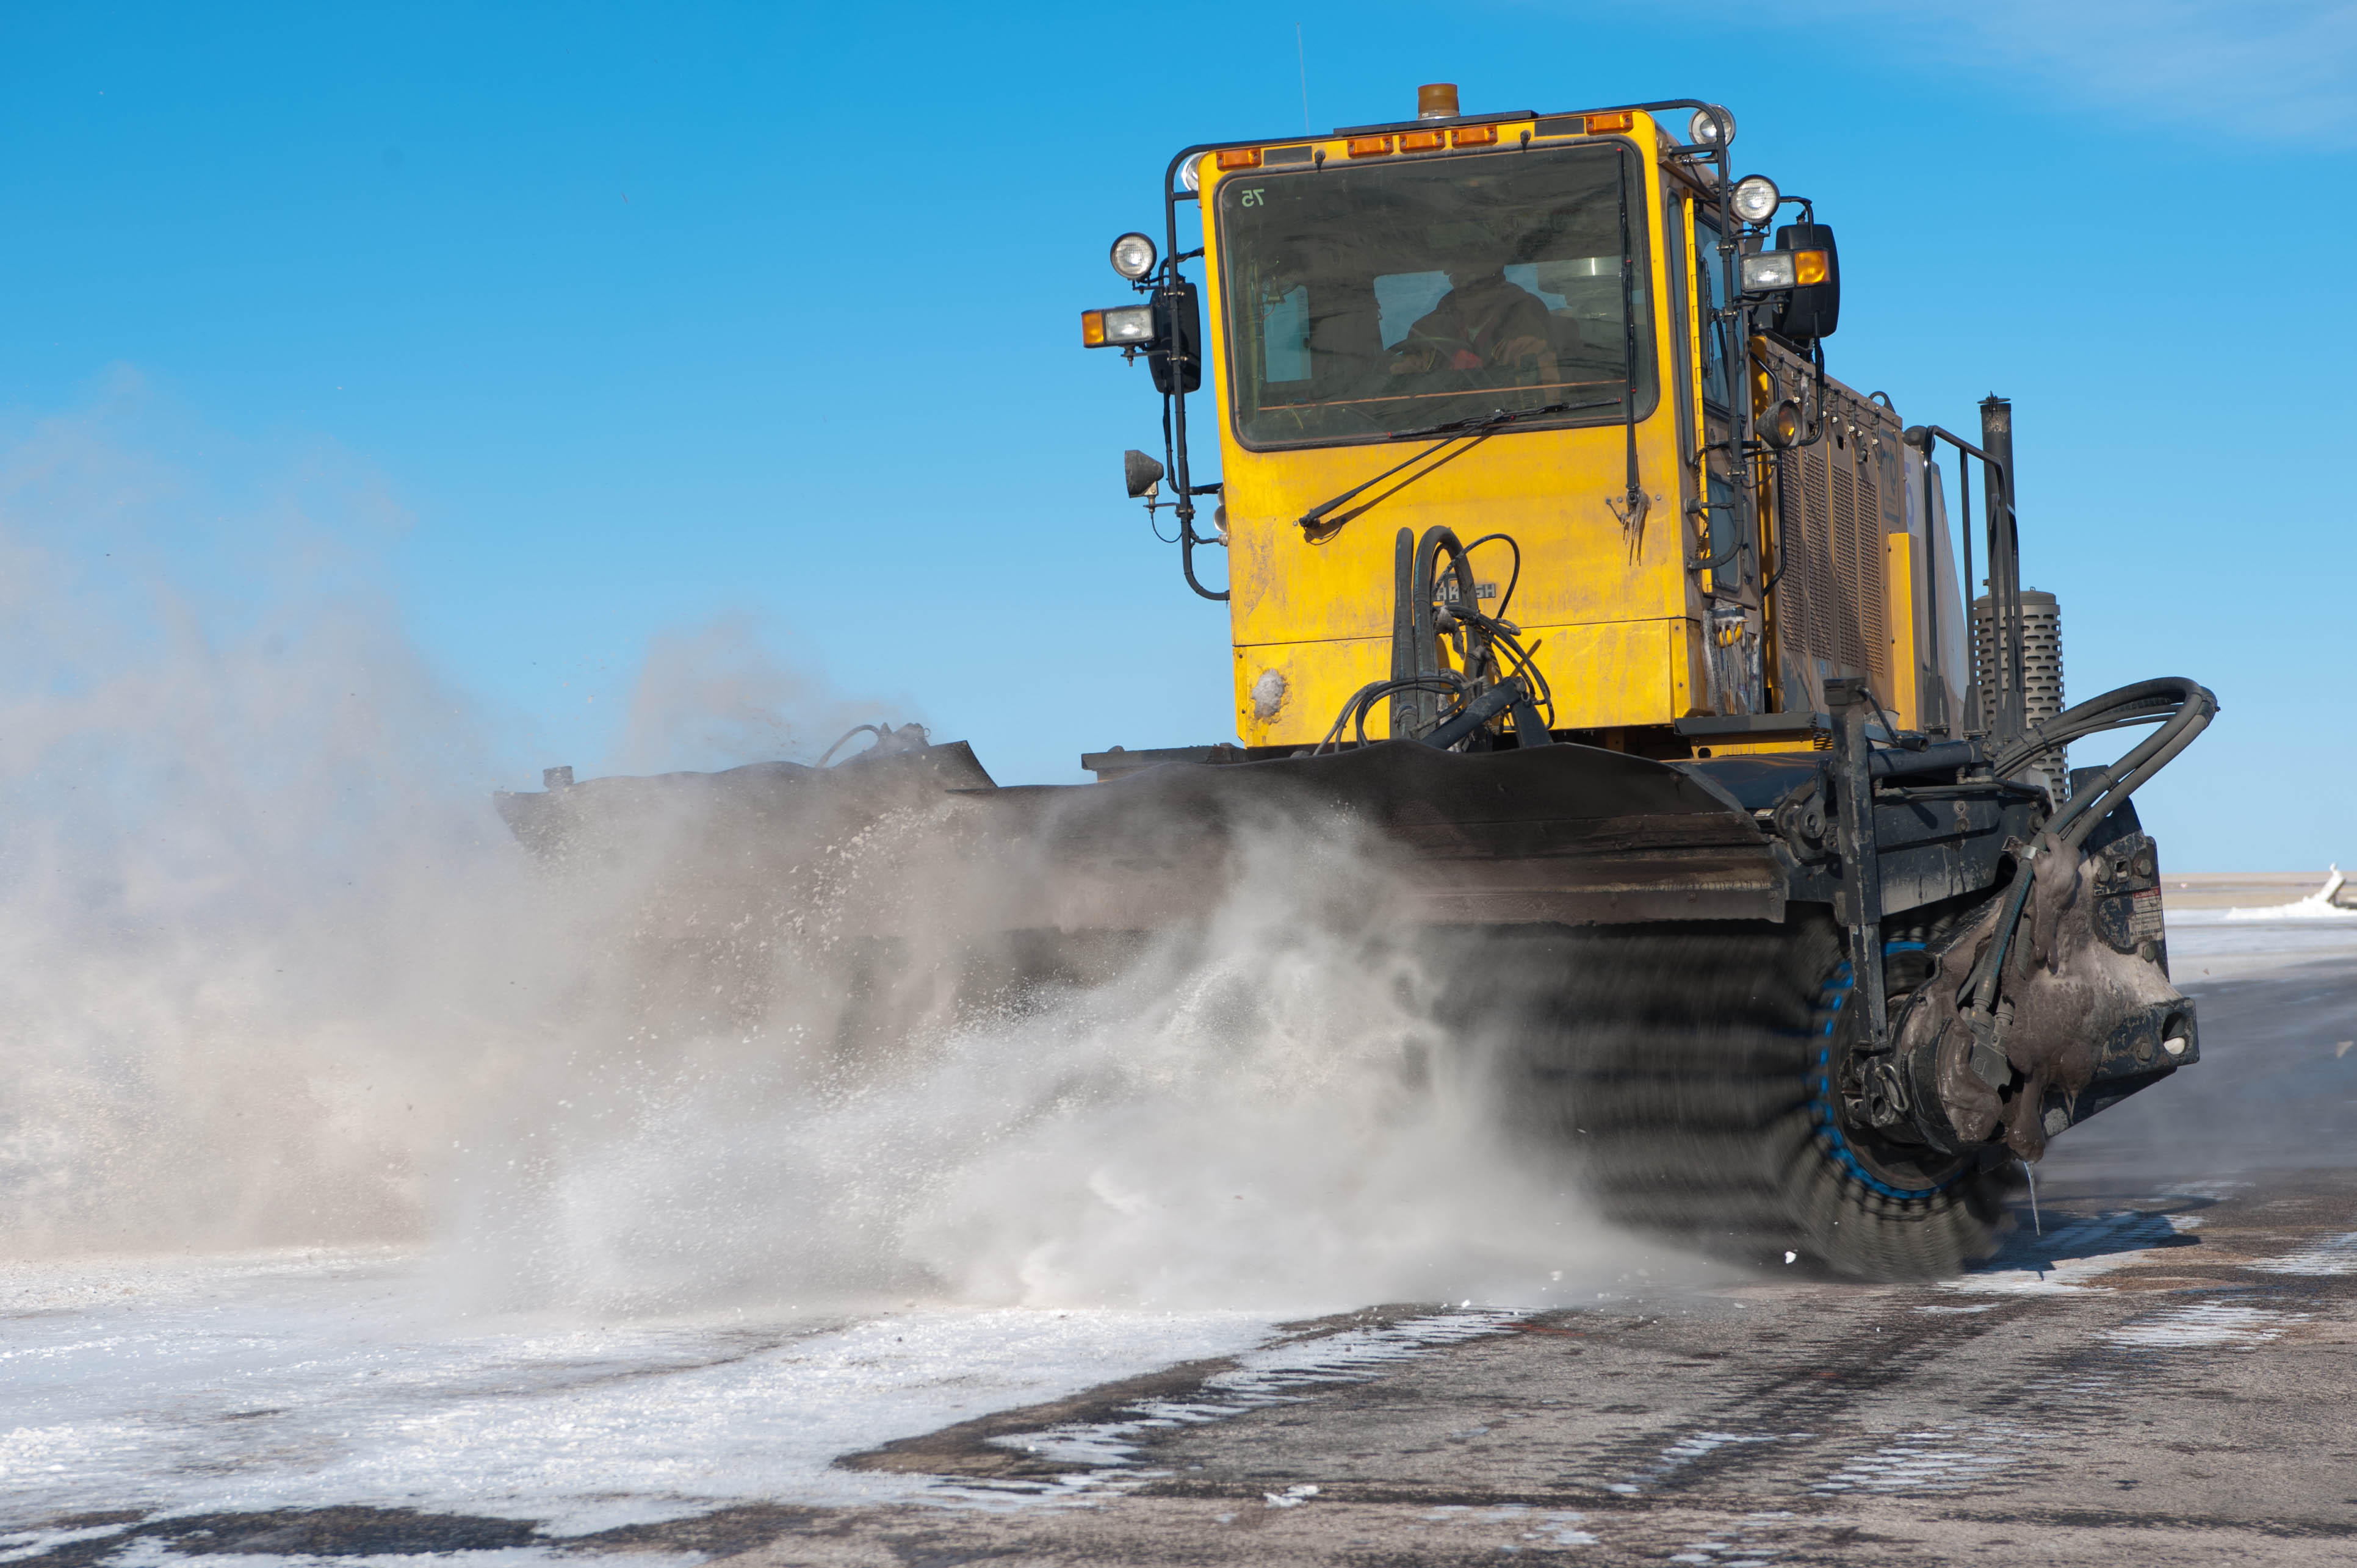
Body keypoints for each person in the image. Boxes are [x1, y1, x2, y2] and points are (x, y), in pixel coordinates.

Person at [1388, 265, 1557, 379]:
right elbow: (1405, 388)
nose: (1464, 287)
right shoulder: (1427, 330)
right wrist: (1405, 372)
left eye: (1474, 279)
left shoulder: (1525, 327)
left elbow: (1543, 391)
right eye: (1458, 278)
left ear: (1497, 283)